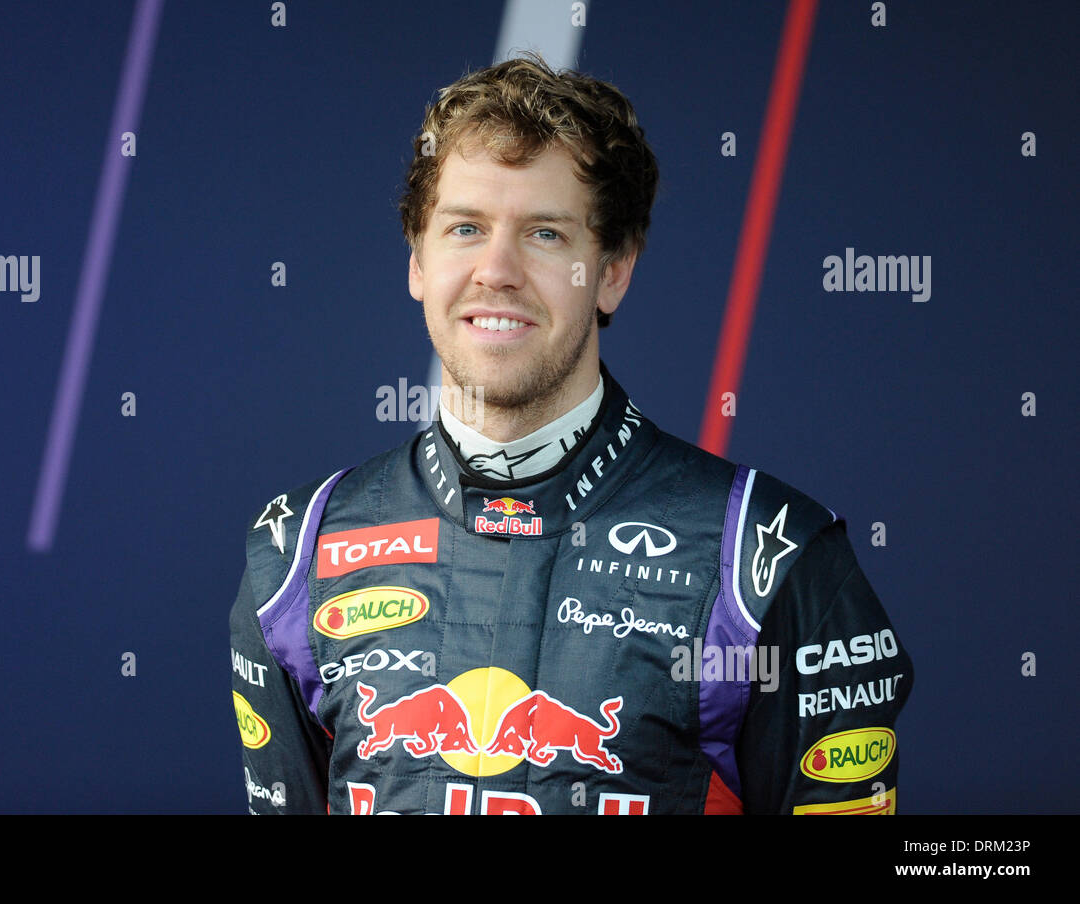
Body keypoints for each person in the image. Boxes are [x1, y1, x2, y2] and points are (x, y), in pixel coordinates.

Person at [228, 52, 912, 815]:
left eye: (546, 235)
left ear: (613, 269)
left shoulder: (768, 559)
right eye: (464, 228)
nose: (497, 270)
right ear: (417, 261)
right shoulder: (297, 556)